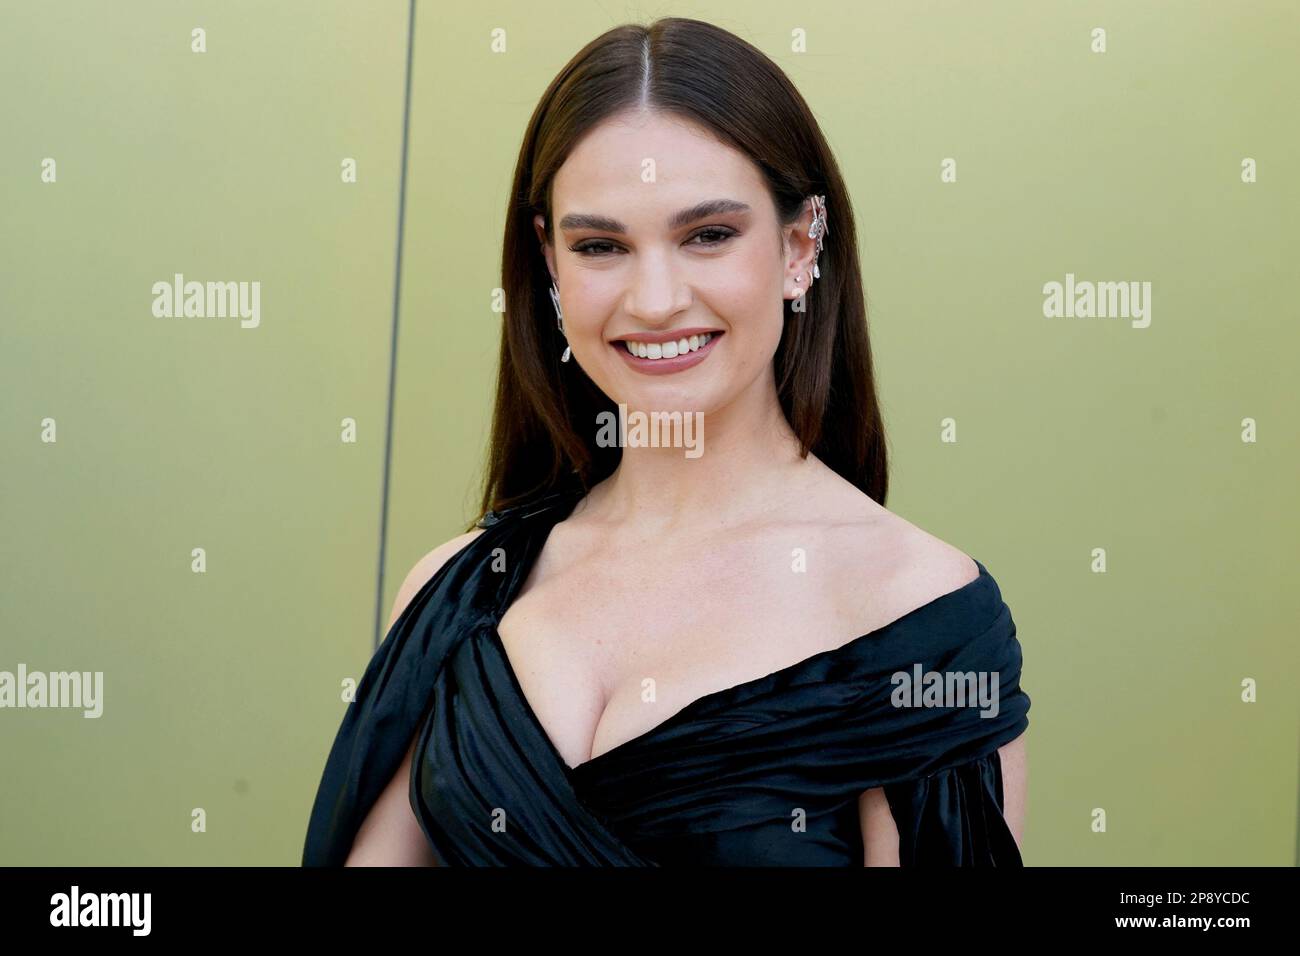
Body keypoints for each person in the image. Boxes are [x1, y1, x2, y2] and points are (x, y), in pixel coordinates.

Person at [303, 16, 1030, 867]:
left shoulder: (919, 614)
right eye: (601, 245)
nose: (653, 301)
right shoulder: (455, 595)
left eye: (708, 235)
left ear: (802, 245)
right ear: (550, 264)